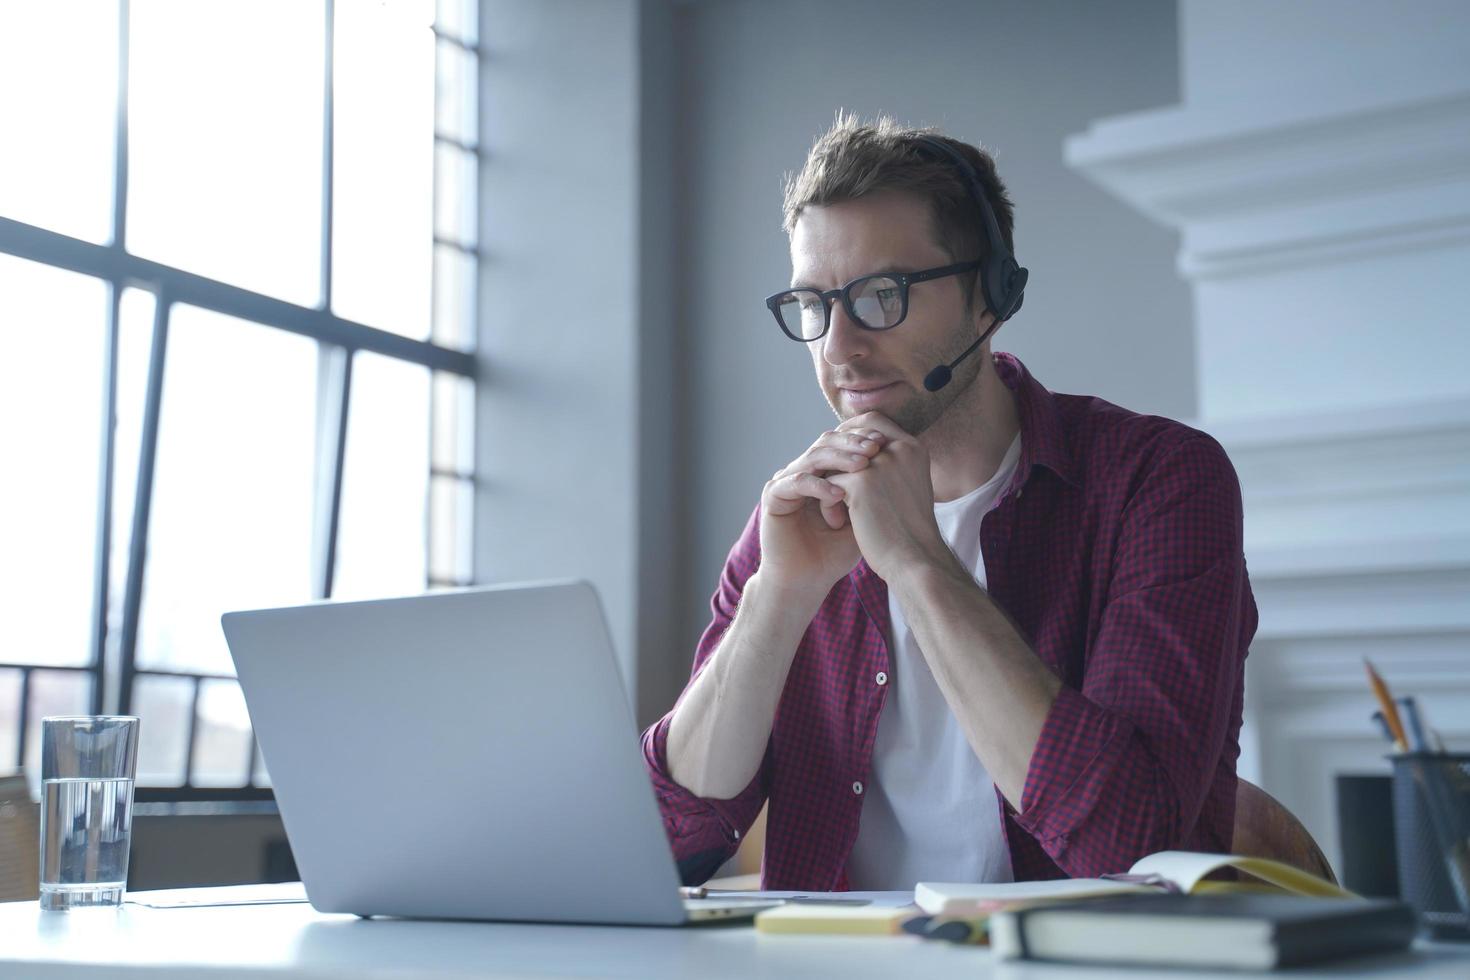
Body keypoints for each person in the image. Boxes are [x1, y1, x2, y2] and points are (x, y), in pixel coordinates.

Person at [641, 113, 1257, 891]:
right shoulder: (793, 524)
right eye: (813, 305)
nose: (838, 348)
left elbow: (1127, 847)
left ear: (990, 298)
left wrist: (919, 566)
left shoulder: (1158, 481)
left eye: (880, 295)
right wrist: (778, 598)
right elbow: (666, 839)